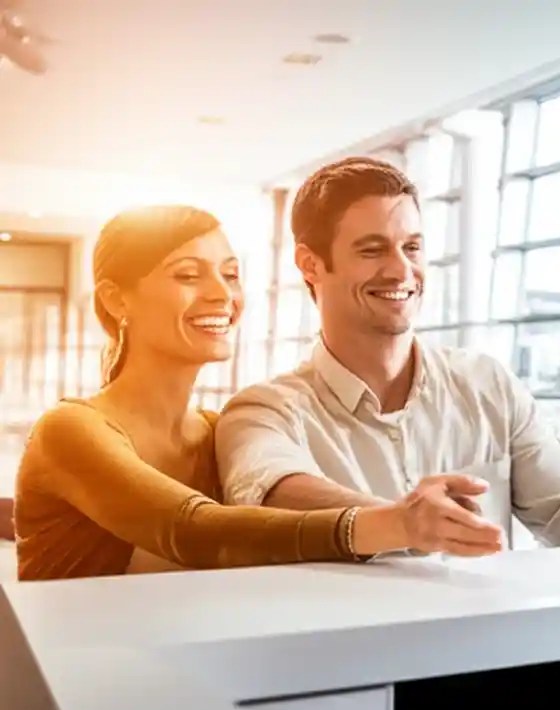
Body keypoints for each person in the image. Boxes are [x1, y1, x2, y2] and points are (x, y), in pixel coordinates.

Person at [12, 205, 501, 581]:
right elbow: (196, 532)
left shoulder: (217, 431)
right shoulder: (69, 430)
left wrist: (411, 520)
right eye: (187, 274)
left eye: (230, 273)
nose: (221, 295)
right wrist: (394, 525)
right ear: (117, 299)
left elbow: (274, 519)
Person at [213, 157, 560, 550]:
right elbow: (270, 494)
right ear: (311, 265)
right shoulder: (263, 411)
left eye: (412, 247)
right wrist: (400, 523)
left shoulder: (487, 385)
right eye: (372, 250)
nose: (401, 270)